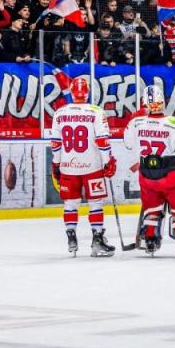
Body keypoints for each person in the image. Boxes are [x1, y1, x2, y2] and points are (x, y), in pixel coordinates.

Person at [122, 85, 175, 257]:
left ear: (145, 102)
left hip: (146, 175)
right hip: (172, 175)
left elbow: (129, 144)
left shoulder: (135, 123)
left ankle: (149, 240)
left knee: (152, 208)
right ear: (162, 101)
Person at [49, 77, 116, 257]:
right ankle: (97, 240)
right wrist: (107, 160)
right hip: (92, 166)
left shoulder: (60, 112)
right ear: (87, 93)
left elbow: (56, 143)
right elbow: (102, 141)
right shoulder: (96, 111)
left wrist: (56, 163)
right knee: (95, 203)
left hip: (68, 166)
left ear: (72, 92)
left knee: (70, 203)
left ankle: (71, 238)